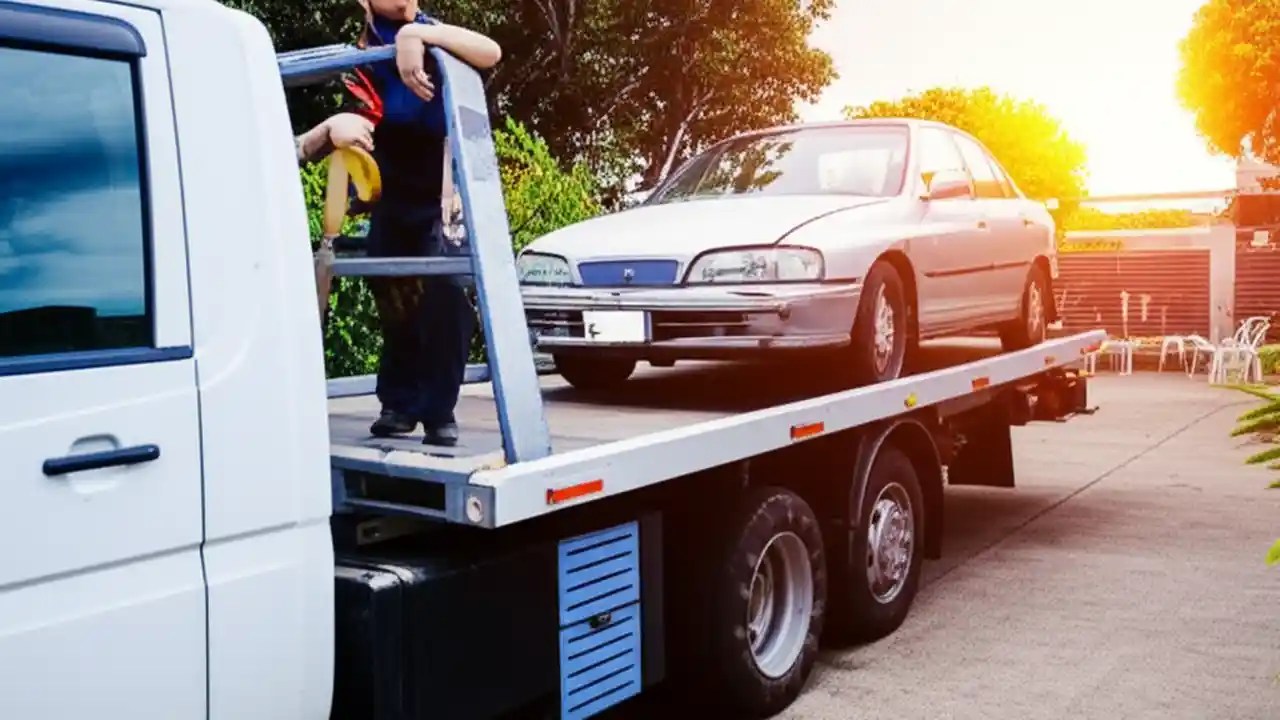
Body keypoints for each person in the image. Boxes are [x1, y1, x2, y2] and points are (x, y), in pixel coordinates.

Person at [337, 0, 501, 446]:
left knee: (446, 301)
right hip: (388, 190)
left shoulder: (431, 31)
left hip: (436, 190)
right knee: (397, 306)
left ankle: (438, 410)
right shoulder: (362, 52)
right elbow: (355, 122)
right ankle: (398, 406)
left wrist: (418, 35)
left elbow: (491, 51)